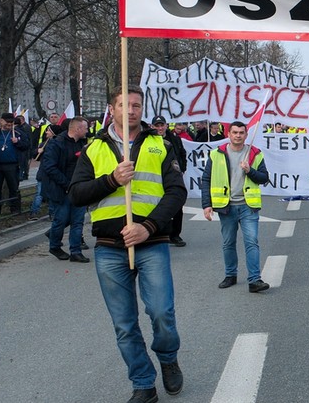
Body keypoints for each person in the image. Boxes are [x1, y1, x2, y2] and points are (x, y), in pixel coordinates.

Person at [68, 88, 187, 403]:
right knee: (124, 324)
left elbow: (176, 193)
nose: (131, 110)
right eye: (124, 105)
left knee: (161, 313)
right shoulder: (94, 148)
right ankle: (144, 383)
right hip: (109, 248)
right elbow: (76, 194)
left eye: (136, 105)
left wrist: (148, 227)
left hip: (151, 242)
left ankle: (167, 357)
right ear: (112, 108)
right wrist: (111, 180)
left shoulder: (160, 145)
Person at [202, 121, 271, 293]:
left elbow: (264, 178)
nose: (238, 135)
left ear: (246, 135)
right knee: (228, 243)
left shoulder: (255, 154)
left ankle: (255, 280)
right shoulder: (216, 154)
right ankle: (230, 275)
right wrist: (206, 204)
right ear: (229, 134)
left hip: (248, 206)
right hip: (227, 207)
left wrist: (250, 171)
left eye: (241, 132)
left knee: (252, 242)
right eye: (235, 132)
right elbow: (206, 180)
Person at [40, 117, 90, 263]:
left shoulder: (82, 143)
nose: (87, 131)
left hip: (78, 190)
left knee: (78, 221)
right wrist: (67, 184)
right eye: (85, 128)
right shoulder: (57, 144)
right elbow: (49, 167)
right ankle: (54, 246)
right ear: (77, 129)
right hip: (61, 190)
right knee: (60, 220)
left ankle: (75, 251)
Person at [151, 116, 188, 247]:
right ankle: (159, 234)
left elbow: (182, 154)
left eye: (162, 125)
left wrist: (182, 168)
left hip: (173, 177)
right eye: (157, 126)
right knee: (157, 206)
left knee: (177, 206)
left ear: (166, 126)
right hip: (156, 178)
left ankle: (175, 235)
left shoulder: (175, 140)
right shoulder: (148, 141)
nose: (160, 128)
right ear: (152, 127)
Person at [0, 112, 30, 215]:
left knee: (13, 187)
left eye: (11, 122)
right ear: (1, 121)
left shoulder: (18, 133)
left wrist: (18, 142)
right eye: (7, 122)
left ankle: (14, 208)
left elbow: (26, 145)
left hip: (12, 165)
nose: (9, 124)